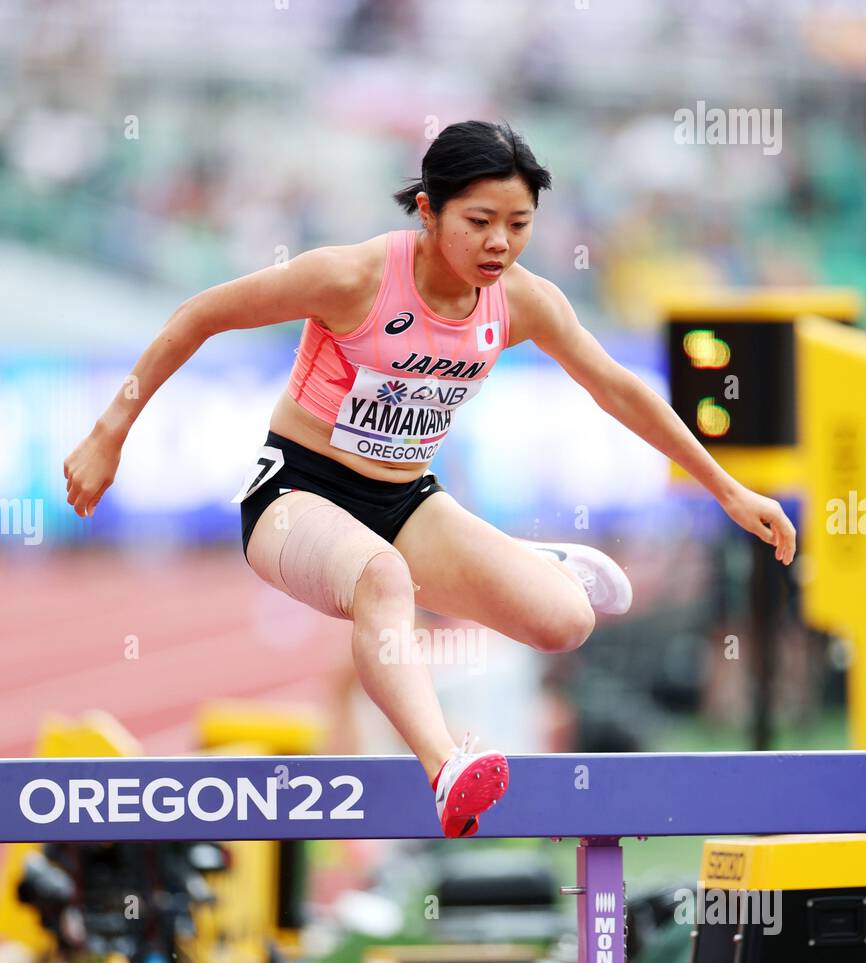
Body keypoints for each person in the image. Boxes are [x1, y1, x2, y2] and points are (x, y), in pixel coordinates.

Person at [63, 119, 796, 837]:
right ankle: (445, 766)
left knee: (564, 623)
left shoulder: (523, 301)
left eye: (519, 223)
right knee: (381, 578)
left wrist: (726, 488)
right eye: (479, 221)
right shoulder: (350, 277)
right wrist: (108, 434)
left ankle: (527, 562)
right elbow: (198, 315)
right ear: (428, 210)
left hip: (408, 500)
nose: (500, 243)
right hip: (298, 493)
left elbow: (616, 388)